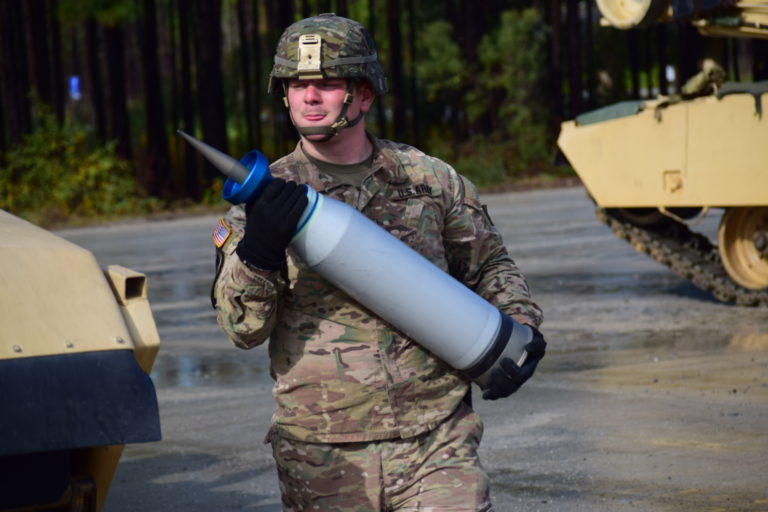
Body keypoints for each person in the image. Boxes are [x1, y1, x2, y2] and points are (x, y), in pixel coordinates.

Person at [211, 13, 545, 511]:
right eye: (297, 84)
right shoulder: (262, 204)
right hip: (323, 453)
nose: (309, 96)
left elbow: (489, 264)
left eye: (327, 83)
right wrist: (258, 252)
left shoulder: (430, 180)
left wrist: (520, 322)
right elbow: (241, 329)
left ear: (363, 95)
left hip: (436, 438)